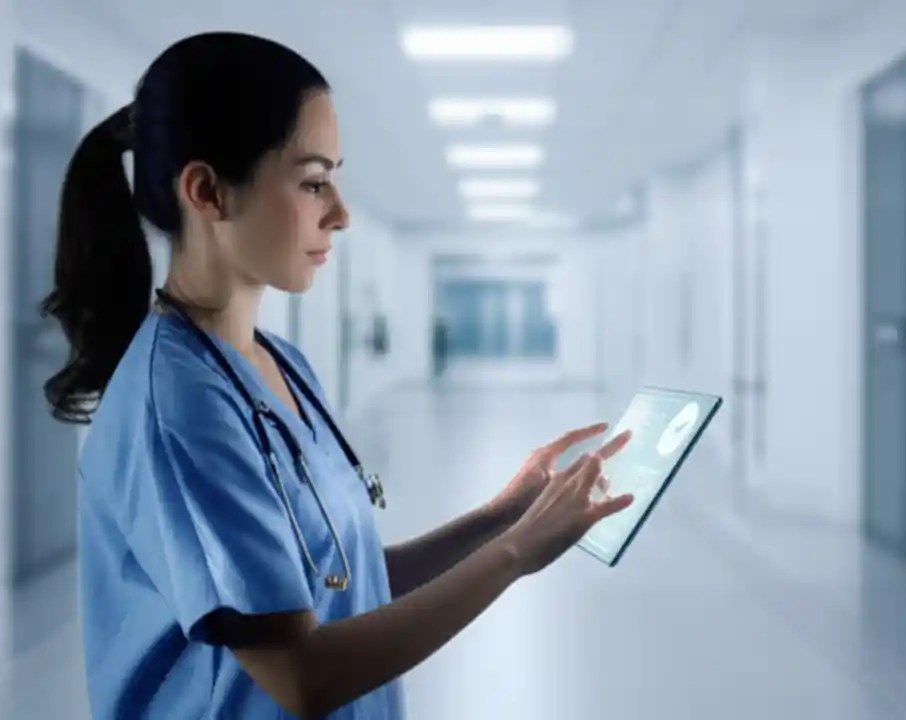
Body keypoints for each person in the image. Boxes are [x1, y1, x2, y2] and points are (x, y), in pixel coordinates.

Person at [41, 31, 635, 719]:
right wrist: (514, 553)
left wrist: (500, 515)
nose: (341, 213)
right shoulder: (178, 402)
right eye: (314, 181)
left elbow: (339, 587)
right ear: (207, 192)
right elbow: (301, 674)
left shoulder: (280, 364)